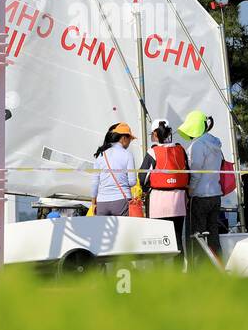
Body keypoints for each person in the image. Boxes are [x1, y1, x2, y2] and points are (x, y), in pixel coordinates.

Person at [138, 120, 189, 258]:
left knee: (158, 240)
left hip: (158, 202)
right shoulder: (180, 149)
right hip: (178, 201)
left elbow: (142, 177)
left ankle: (160, 274)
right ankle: (179, 271)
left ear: (155, 134)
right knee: (177, 237)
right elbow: (188, 173)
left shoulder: (152, 151)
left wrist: (145, 189)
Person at [179, 110, 225, 258]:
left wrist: (190, 191)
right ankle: (218, 267)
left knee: (196, 237)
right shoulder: (215, 143)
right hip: (215, 194)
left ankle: (198, 272)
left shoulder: (197, 145)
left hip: (199, 196)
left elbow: (195, 172)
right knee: (213, 236)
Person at [89, 123, 137, 216]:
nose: (130, 141)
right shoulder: (127, 154)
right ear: (123, 138)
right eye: (130, 139)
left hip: (102, 202)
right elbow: (132, 182)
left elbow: (95, 182)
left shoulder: (101, 155)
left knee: (104, 230)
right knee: (123, 230)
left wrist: (93, 203)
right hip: (121, 201)